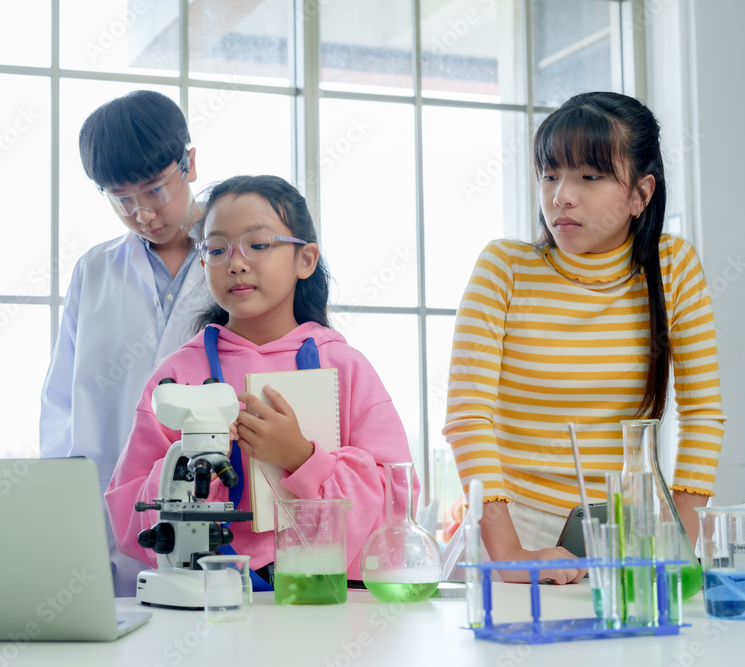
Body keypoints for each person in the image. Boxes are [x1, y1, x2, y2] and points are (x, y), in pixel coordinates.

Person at [442, 92, 725, 584]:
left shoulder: (673, 266)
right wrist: (512, 555)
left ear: (641, 194)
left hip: (629, 535)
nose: (561, 196)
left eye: (589, 177)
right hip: (513, 526)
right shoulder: (504, 268)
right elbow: (468, 417)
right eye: (550, 175)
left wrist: (676, 543)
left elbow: (702, 415)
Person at [106, 175, 414, 586]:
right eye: (217, 249)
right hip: (211, 597)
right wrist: (193, 469)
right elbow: (129, 516)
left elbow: (396, 505)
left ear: (305, 260)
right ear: (204, 263)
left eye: (259, 244)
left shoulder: (346, 368)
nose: (236, 263)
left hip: (326, 601)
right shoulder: (176, 377)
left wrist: (301, 458)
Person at [39, 91, 210, 596]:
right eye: (121, 199)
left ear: (190, 163)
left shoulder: (237, 260)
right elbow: (62, 407)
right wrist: (61, 513)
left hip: (216, 512)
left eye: (155, 189)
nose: (143, 213)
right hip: (104, 530)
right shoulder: (94, 270)